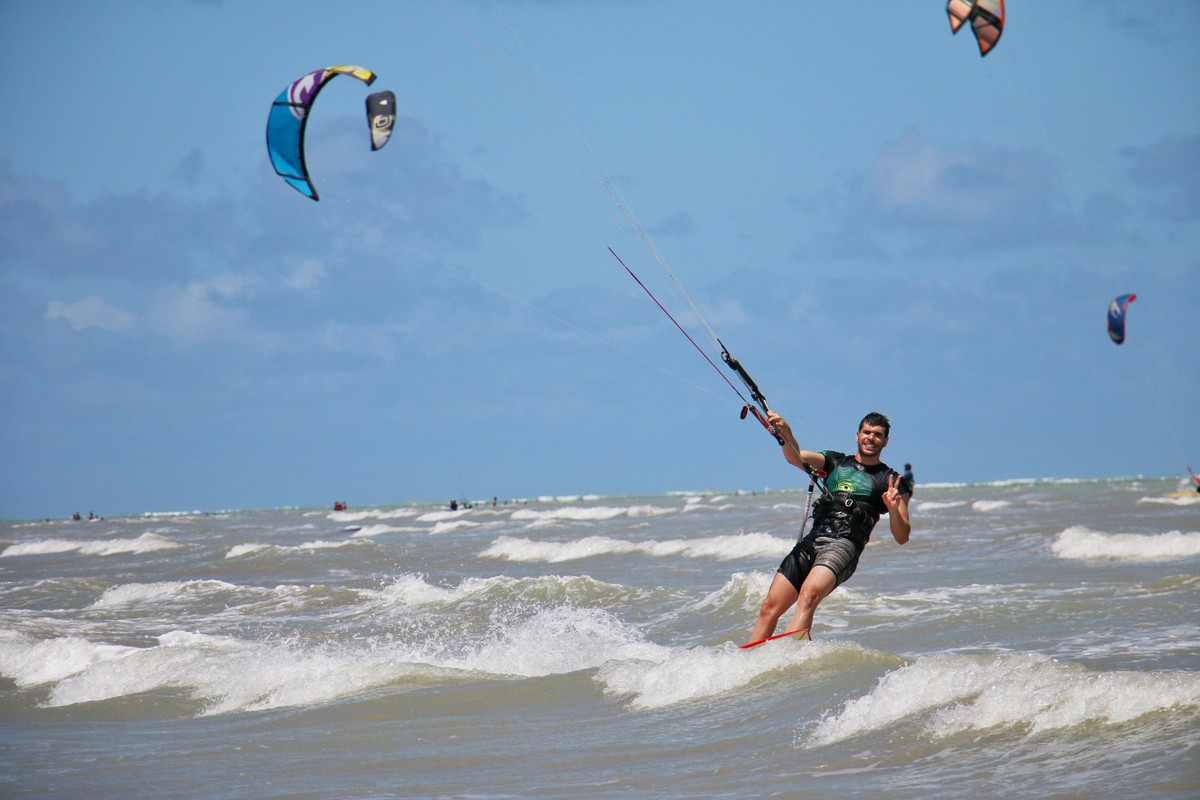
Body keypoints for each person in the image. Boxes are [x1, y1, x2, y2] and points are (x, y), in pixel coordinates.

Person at [747, 411, 912, 645]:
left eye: (877, 435)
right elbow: (796, 457)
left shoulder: (892, 481)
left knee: (809, 595)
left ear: (885, 442)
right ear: (857, 435)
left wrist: (893, 508)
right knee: (769, 606)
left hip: (844, 545)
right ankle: (749, 661)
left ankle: (788, 659)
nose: (870, 438)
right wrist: (786, 430)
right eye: (867, 432)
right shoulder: (834, 462)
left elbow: (903, 536)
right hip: (813, 540)